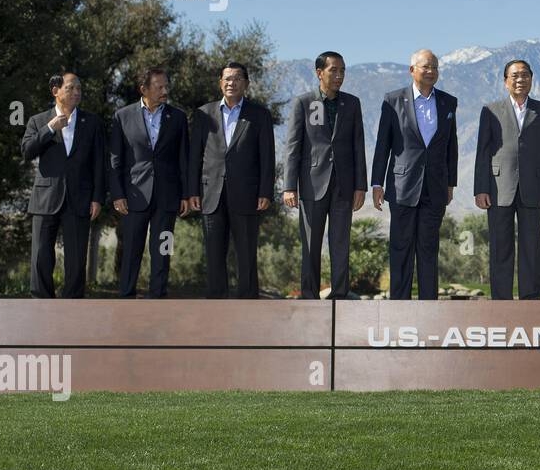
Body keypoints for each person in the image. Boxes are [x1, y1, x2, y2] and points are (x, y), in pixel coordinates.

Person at [371, 49, 458, 300]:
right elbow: (382, 145)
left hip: (436, 188)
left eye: (435, 68)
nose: (431, 72)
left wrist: (451, 182)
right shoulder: (393, 100)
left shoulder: (448, 102)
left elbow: (451, 146)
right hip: (402, 187)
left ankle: (429, 307)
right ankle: (399, 307)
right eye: (426, 67)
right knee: (401, 250)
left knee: (429, 250)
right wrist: (377, 183)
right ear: (412, 70)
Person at [474, 59, 540, 299]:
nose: (520, 79)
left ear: (532, 79)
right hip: (498, 188)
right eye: (514, 76)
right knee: (500, 247)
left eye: (525, 75)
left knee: (531, 247)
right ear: (505, 82)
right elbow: (482, 152)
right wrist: (480, 189)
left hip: (533, 187)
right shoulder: (490, 111)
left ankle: (531, 299)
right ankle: (501, 300)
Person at [282, 51, 367, 299]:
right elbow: (293, 147)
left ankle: (340, 294)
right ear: (320, 73)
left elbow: (358, 146)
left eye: (342, 71)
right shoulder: (304, 103)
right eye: (334, 70)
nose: (339, 75)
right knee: (311, 245)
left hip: (344, 185)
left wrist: (359, 186)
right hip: (311, 184)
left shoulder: (352, 104)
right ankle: (309, 296)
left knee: (340, 244)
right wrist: (289, 186)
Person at [188, 62, 276, 299]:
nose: (231, 83)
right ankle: (216, 302)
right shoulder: (203, 114)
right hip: (210, 194)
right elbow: (194, 156)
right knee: (214, 253)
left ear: (245, 84)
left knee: (246, 253)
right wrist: (191, 191)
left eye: (237, 78)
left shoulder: (259, 115)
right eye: (226, 78)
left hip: (247, 194)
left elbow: (267, 157)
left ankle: (247, 301)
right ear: (220, 83)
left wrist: (265, 191)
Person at [21, 72, 105, 298]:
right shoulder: (38, 121)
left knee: (77, 259)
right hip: (45, 198)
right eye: (71, 88)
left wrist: (97, 198)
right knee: (41, 256)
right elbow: (27, 151)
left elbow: (99, 163)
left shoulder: (93, 122)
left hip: (80, 199)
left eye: (79, 88)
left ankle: (73, 305)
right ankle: (42, 301)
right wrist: (49, 129)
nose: (77, 92)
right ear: (55, 91)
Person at [108, 67, 189, 298]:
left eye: (166, 86)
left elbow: (184, 158)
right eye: (159, 87)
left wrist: (185, 194)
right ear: (143, 89)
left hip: (168, 198)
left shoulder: (179, 118)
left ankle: (158, 298)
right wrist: (117, 194)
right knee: (131, 251)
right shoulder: (122, 116)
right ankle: (126, 298)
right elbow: (115, 160)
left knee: (163, 251)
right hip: (133, 197)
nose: (165, 91)